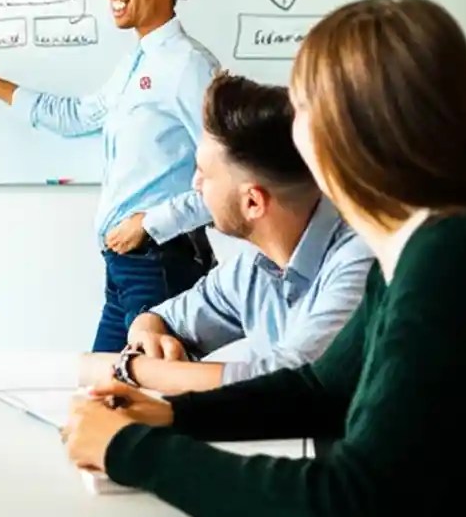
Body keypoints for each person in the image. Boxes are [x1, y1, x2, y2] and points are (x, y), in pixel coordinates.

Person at [62, 0, 466, 517]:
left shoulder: (459, 260)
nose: (295, 127)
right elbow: (320, 389)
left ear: (352, 130)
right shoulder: (426, 242)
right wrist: (172, 416)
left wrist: (133, 451)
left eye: (305, 107)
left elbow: (354, 506)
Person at [0, 0, 219, 352]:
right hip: (125, 268)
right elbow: (76, 117)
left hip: (160, 262)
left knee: (138, 403)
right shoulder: (137, 63)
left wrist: (149, 224)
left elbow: (234, 179)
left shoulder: (189, 66)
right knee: (102, 396)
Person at [78, 72, 372, 394]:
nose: (195, 185)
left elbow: (291, 380)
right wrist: (148, 330)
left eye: (204, 173)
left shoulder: (360, 261)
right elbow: (163, 317)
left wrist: (132, 368)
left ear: (252, 202)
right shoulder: (255, 268)